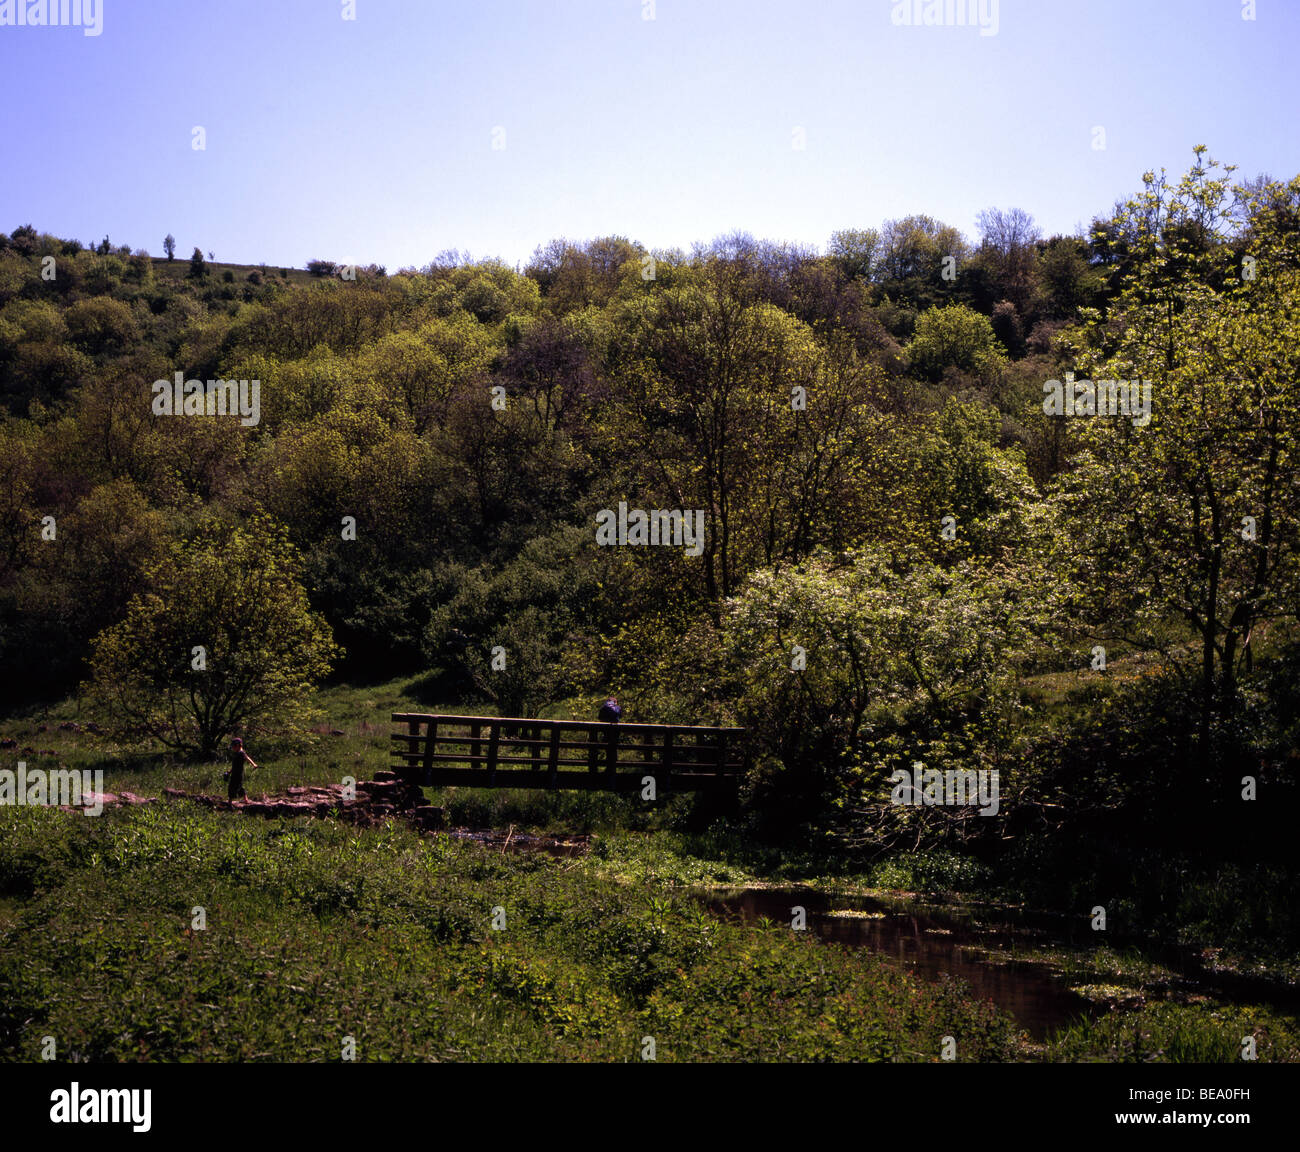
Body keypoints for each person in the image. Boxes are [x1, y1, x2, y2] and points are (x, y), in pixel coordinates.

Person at [225, 736, 257, 802]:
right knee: (238, 787)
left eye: (233, 746)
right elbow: (235, 765)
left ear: (238, 745)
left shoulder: (241, 753)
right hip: (234, 773)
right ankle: (246, 800)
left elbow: (247, 758)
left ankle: (230, 801)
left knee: (233, 787)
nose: (233, 748)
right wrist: (230, 771)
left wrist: (253, 764)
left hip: (238, 774)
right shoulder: (236, 754)